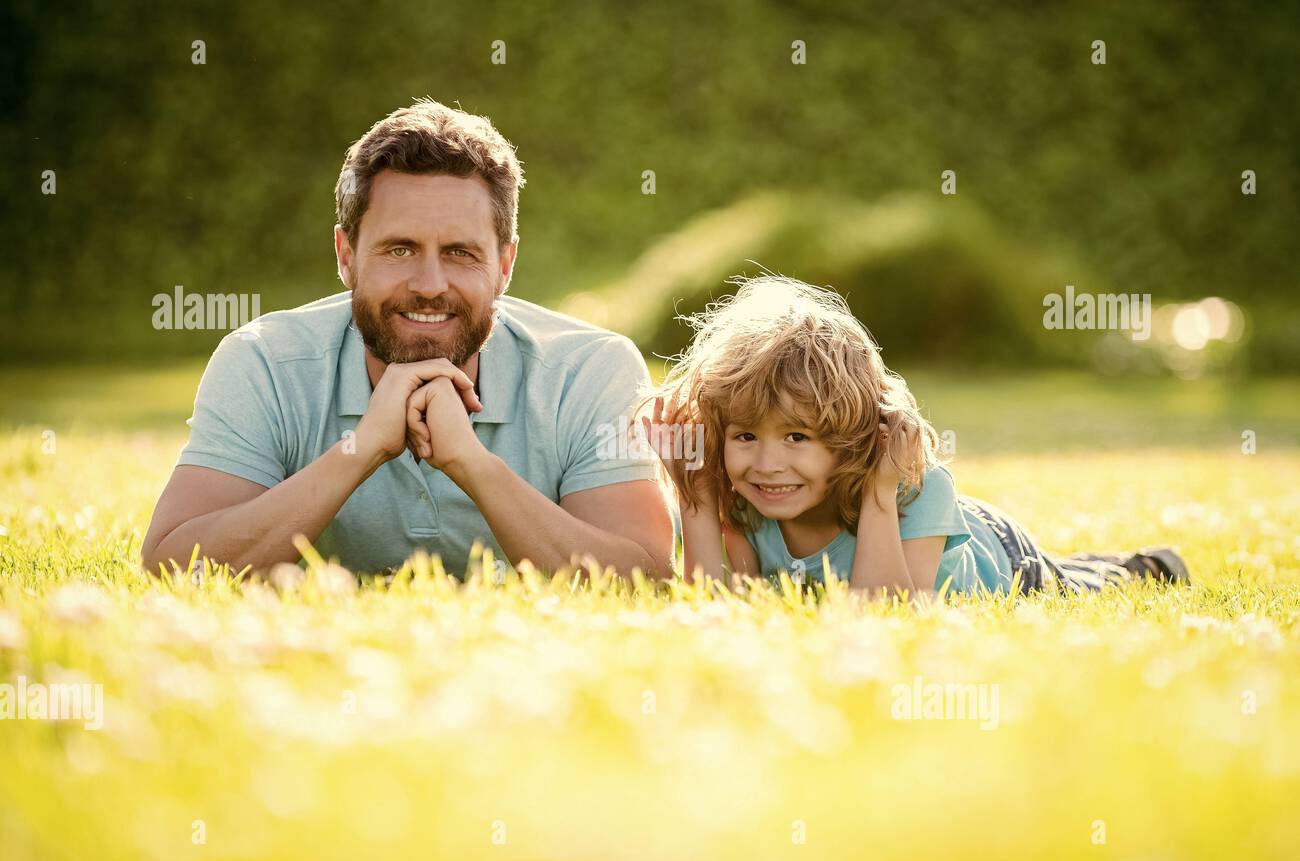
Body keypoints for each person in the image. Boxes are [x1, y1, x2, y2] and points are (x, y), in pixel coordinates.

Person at [141, 99, 673, 580]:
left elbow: (644, 578)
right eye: (399, 250)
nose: (429, 285)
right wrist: (363, 447)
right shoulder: (263, 361)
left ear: (505, 265)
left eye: (461, 253)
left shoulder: (591, 369)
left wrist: (472, 464)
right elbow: (171, 564)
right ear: (346, 255)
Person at [639, 276, 1190, 599]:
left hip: (1001, 556)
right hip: (935, 523)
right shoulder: (744, 498)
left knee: (1076, 583)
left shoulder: (911, 490)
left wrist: (880, 497)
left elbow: (886, 609)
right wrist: (696, 490)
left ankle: (1139, 565)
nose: (766, 463)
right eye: (744, 436)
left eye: (798, 437)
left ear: (850, 435)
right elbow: (720, 604)